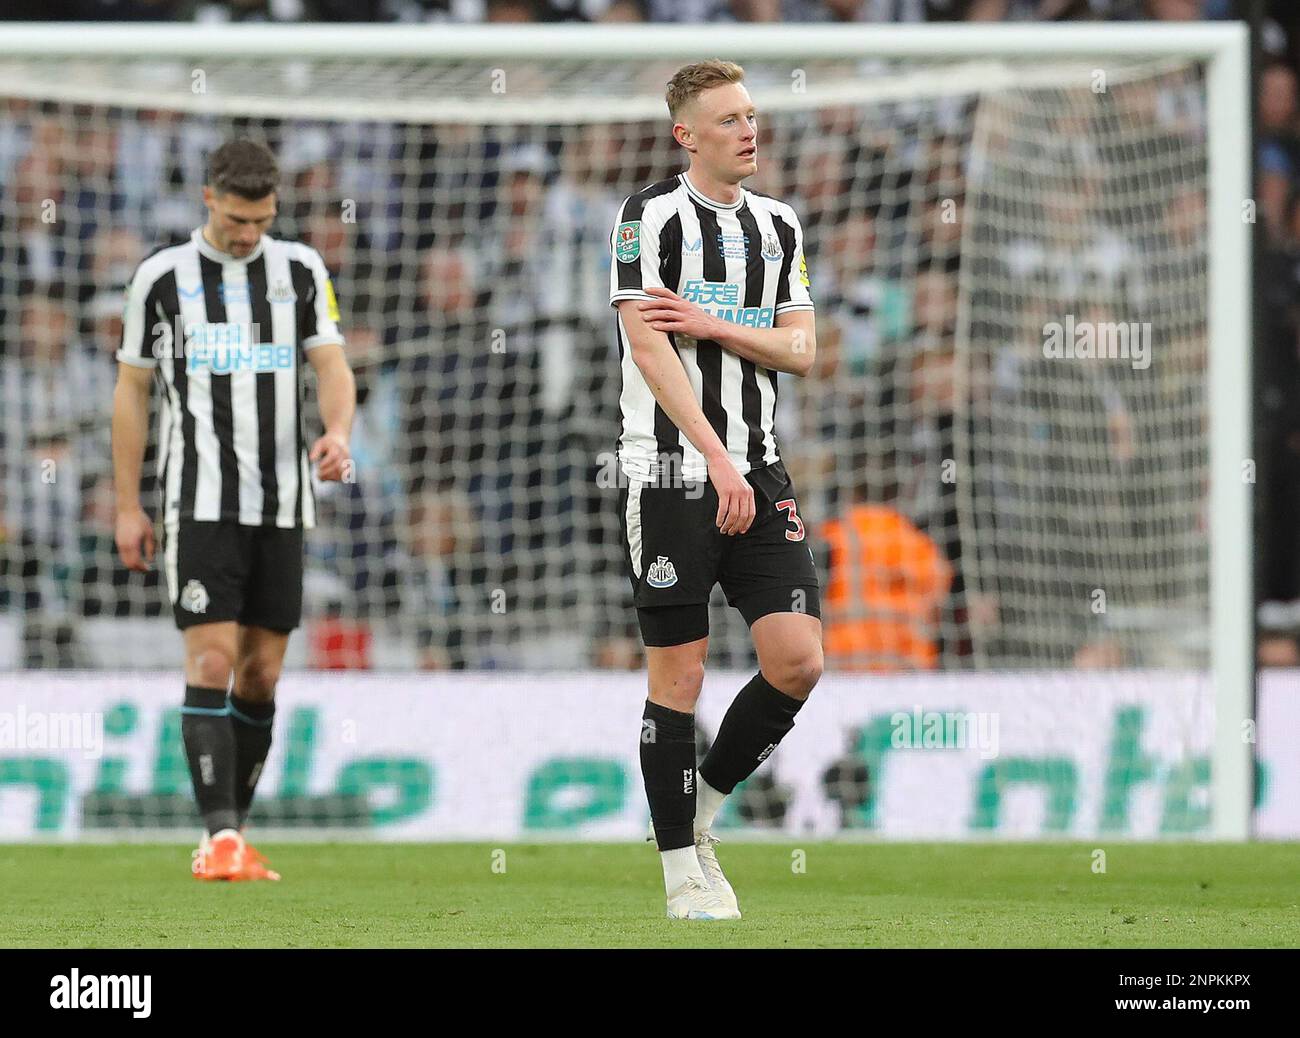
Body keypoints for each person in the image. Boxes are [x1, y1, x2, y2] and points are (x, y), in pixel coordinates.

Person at [609, 60, 823, 920]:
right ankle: (680, 877)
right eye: (729, 118)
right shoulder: (645, 219)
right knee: (681, 678)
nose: (749, 130)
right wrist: (715, 459)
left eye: (752, 115)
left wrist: (711, 323)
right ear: (686, 134)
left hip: (760, 467)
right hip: (669, 472)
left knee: (799, 660)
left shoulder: (779, 225)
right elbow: (647, 348)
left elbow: (801, 350)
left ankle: (700, 816)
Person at [111, 138, 356, 881]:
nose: (250, 234)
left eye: (263, 220)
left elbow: (333, 365)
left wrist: (338, 433)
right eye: (239, 219)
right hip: (200, 501)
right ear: (209, 199)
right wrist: (128, 504)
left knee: (261, 676)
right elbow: (132, 392)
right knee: (212, 660)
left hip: (283, 505)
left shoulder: (301, 270)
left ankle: (232, 836)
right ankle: (219, 839)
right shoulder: (160, 278)